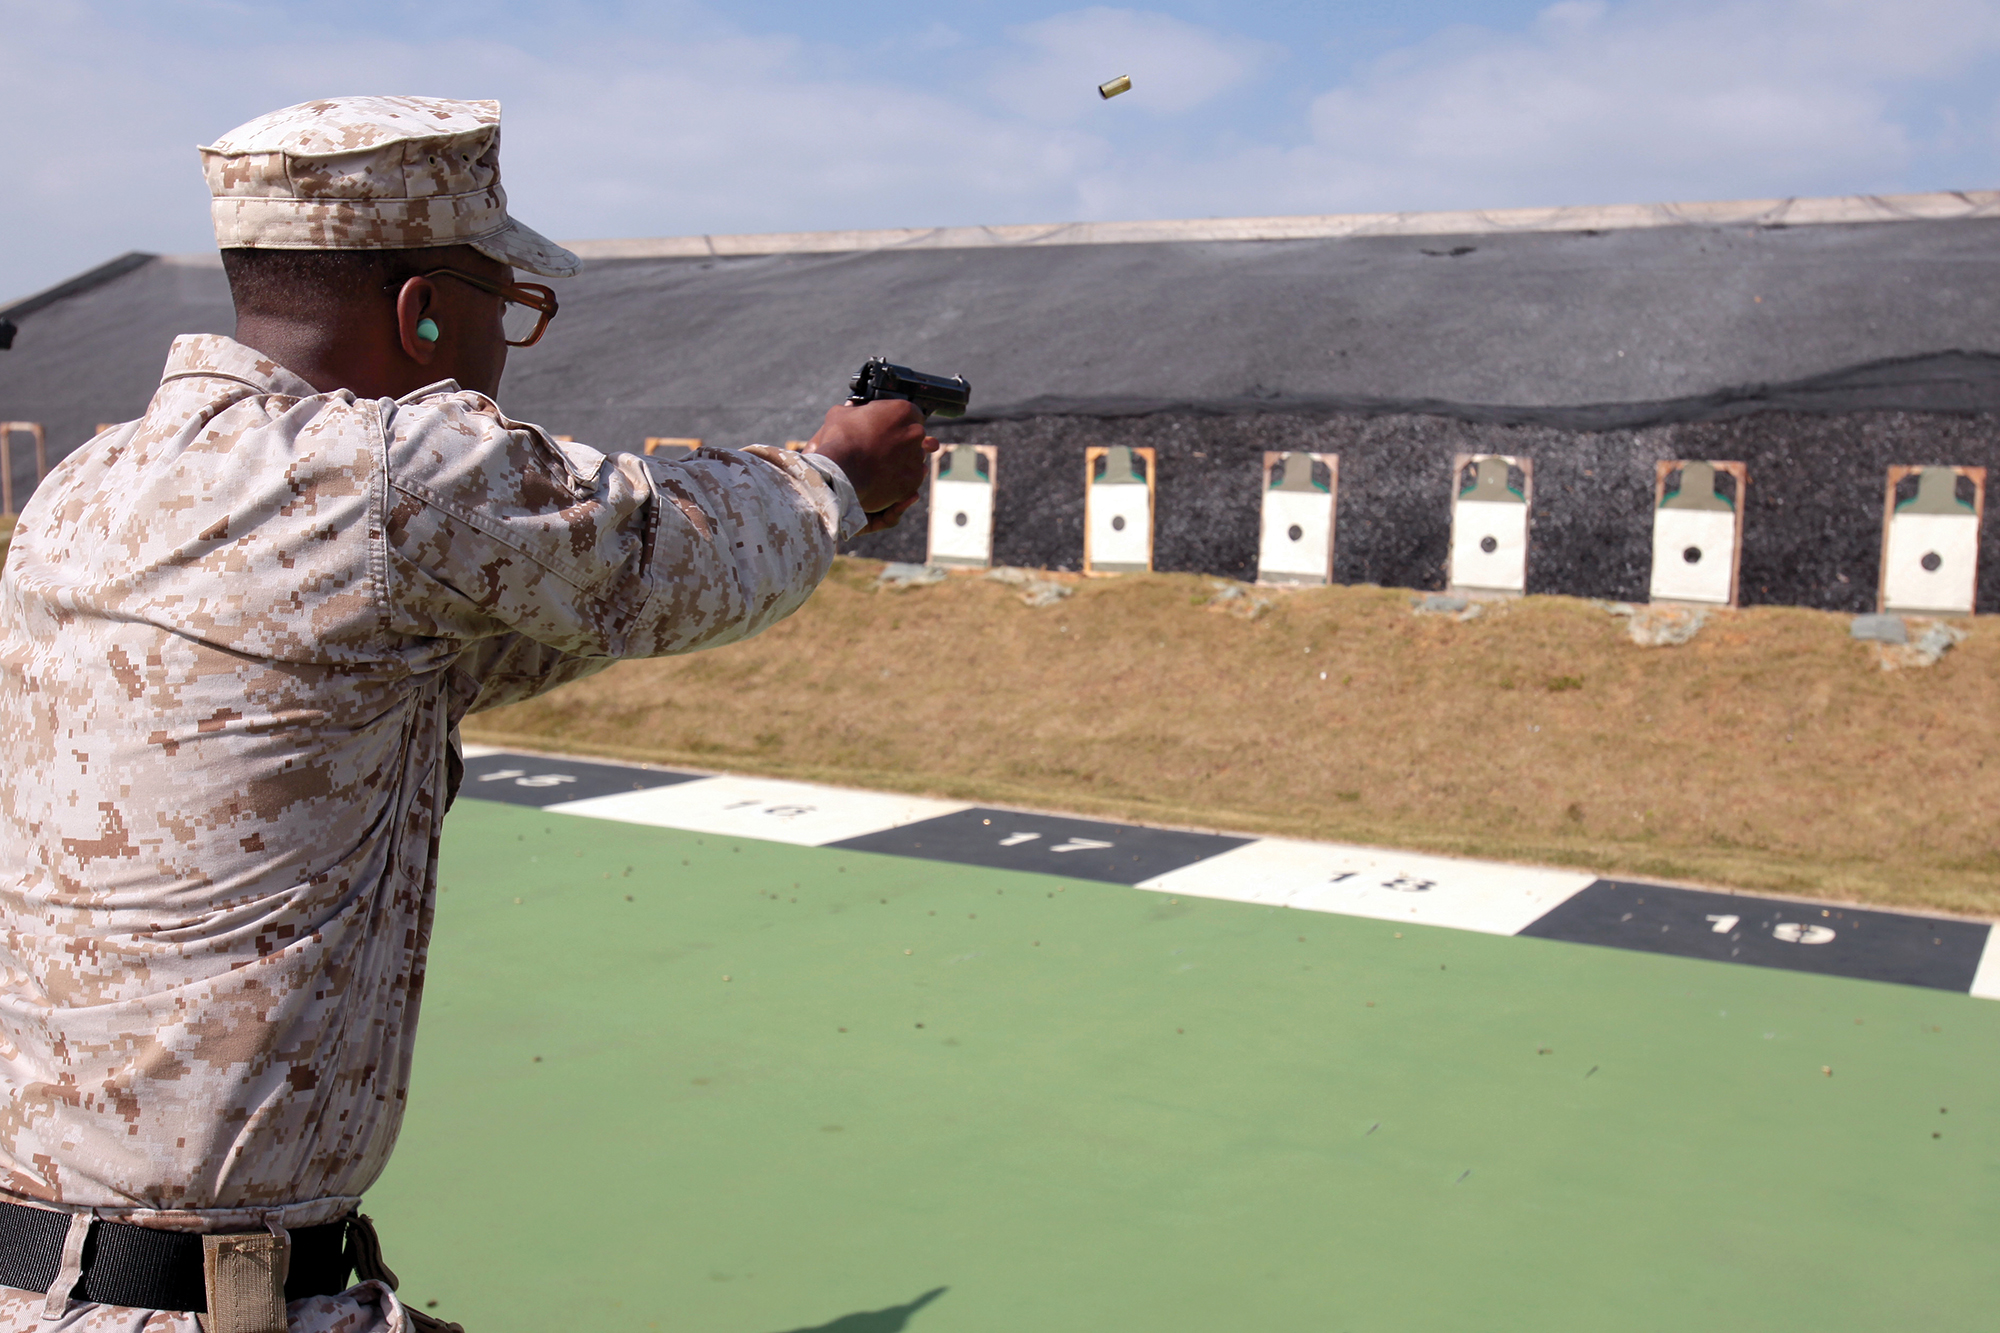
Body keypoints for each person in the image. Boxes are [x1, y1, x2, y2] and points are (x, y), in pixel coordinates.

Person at [0, 95, 934, 1333]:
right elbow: (675, 553)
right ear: (420, 310)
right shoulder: (386, 474)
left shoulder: (88, 486)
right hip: (197, 1305)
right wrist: (835, 480)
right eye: (507, 303)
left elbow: (419, 659)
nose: (507, 341)